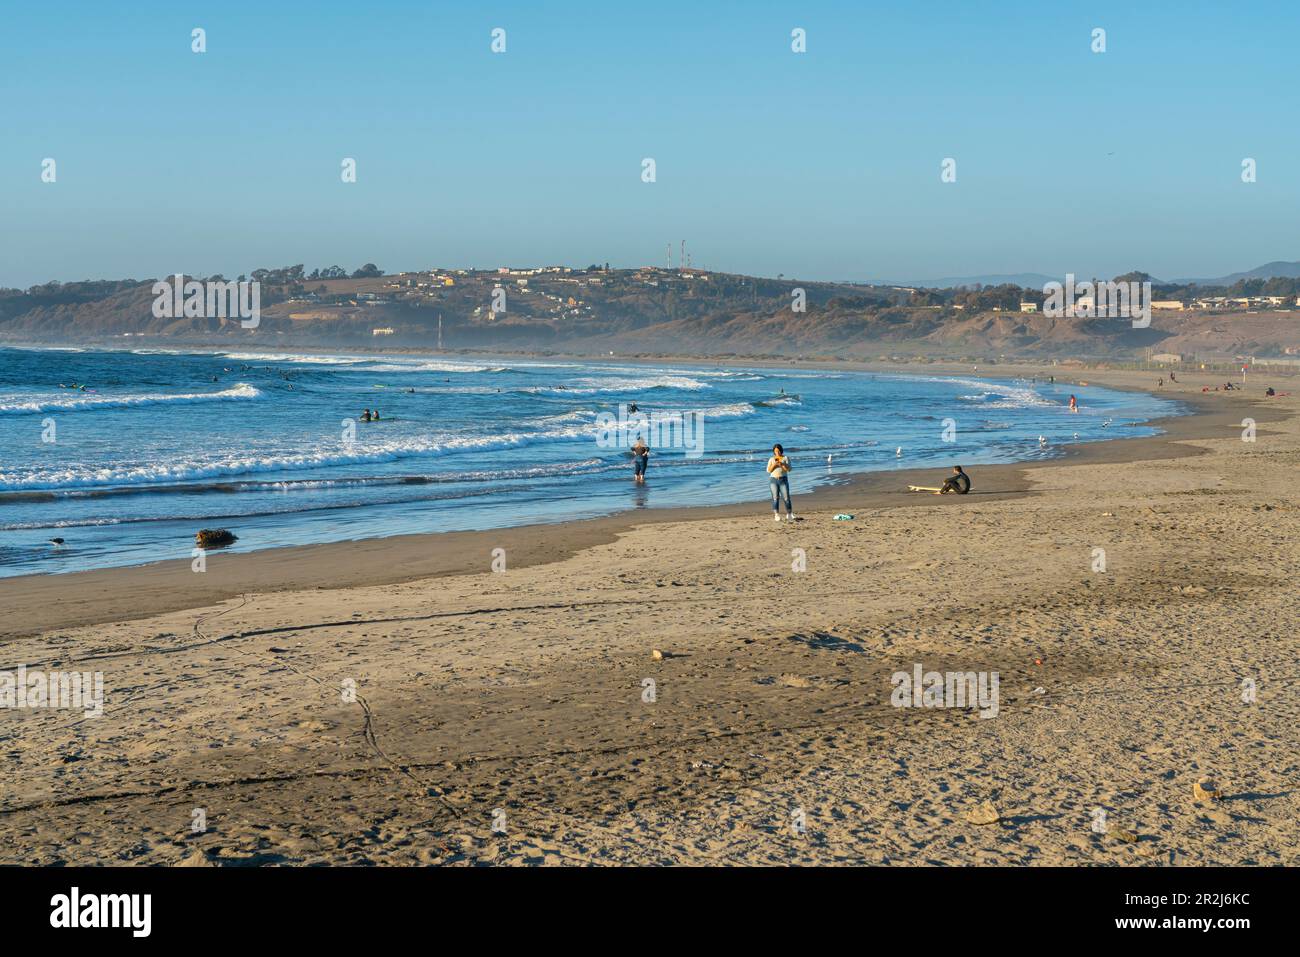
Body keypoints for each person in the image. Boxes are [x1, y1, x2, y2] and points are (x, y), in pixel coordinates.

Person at [767, 444, 794, 521]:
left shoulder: (785, 458)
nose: (777, 452)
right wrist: (775, 465)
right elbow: (768, 470)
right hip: (773, 480)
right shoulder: (772, 459)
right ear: (774, 451)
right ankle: (776, 515)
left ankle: (789, 514)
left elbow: (789, 470)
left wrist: (782, 464)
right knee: (775, 498)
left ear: (781, 450)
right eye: (775, 451)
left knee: (786, 498)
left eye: (778, 450)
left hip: (783, 479)